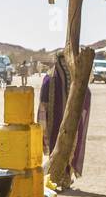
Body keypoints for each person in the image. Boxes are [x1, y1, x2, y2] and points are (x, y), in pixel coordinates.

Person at [38, 51, 91, 180]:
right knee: (66, 145)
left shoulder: (50, 78)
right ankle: (61, 176)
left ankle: (60, 177)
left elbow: (42, 105)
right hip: (64, 121)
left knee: (62, 145)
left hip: (61, 122)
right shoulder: (71, 77)